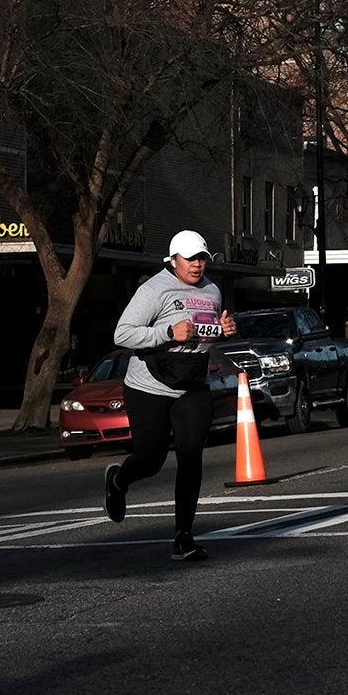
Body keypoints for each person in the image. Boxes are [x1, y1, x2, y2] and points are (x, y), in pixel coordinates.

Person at [103, 230, 237, 562]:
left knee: (191, 457)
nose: (197, 265)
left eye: (202, 258)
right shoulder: (153, 290)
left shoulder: (213, 292)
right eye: (190, 258)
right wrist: (167, 332)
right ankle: (119, 480)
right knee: (151, 459)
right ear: (173, 260)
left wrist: (224, 331)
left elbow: (205, 334)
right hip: (149, 384)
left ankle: (183, 537)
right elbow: (123, 333)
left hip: (192, 385)